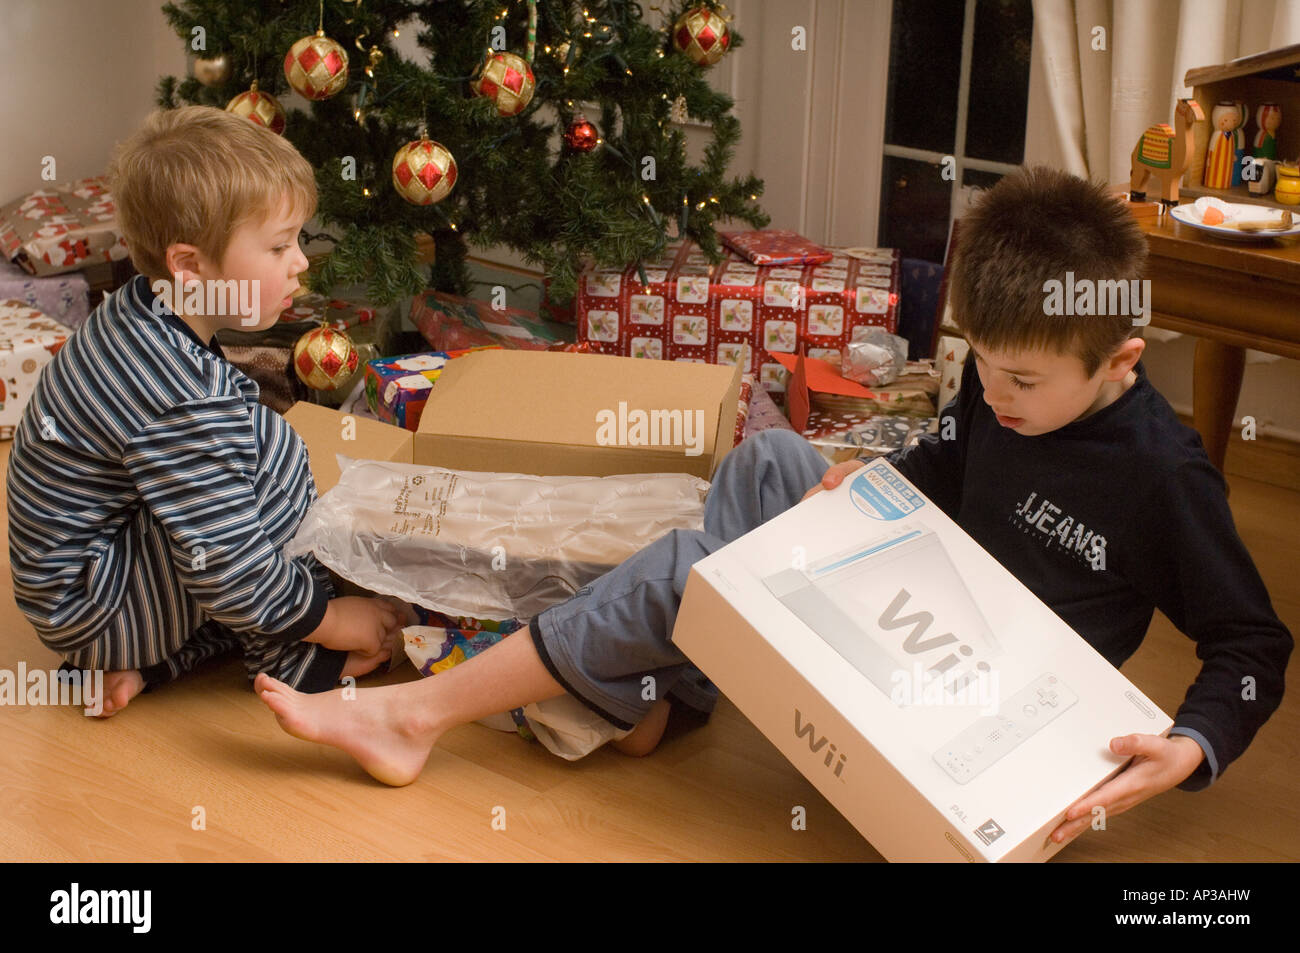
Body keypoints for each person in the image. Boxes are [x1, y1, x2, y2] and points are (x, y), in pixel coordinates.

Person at [256, 167, 1291, 846]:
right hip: (925, 595)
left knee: (690, 568)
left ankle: (416, 714)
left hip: (977, 694)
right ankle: (656, 696)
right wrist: (889, 476)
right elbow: (958, 453)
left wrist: (1194, 743)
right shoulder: (996, 385)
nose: (996, 394)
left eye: (1024, 381)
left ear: (1120, 359)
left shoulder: (1165, 476)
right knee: (772, 464)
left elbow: (1252, 646)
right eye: (985, 367)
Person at [6, 106, 403, 718]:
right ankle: (291, 657)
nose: (299, 261)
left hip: (89, 584)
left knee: (236, 473)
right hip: (94, 604)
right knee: (268, 452)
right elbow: (225, 557)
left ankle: (153, 663)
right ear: (189, 266)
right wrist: (330, 620)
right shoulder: (176, 395)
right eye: (277, 246)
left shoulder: (144, 306)